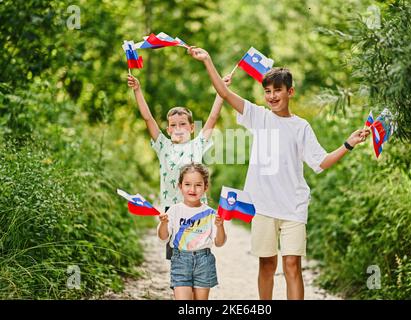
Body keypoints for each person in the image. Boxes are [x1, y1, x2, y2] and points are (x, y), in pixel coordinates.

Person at [188, 46, 370, 300]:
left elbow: (321, 162)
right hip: (263, 206)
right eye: (268, 92)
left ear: (290, 91)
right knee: (267, 265)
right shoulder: (258, 116)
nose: (272, 96)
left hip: (294, 207)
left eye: (277, 91)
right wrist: (207, 60)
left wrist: (348, 143)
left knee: (292, 265)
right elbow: (224, 92)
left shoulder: (301, 127)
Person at [127, 74, 230, 259]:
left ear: (191, 128)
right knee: (177, 257)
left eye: (183, 124)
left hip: (198, 208)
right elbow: (148, 118)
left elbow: (213, 116)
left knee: (198, 253)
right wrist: (137, 90)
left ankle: (197, 285)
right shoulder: (163, 146)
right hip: (172, 209)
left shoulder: (197, 144)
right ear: (168, 130)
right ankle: (180, 287)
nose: (178, 128)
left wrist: (220, 92)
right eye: (173, 125)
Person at [157, 163, 226, 300]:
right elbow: (163, 237)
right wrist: (163, 224)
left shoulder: (210, 213)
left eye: (198, 185)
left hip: (204, 261)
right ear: (180, 186)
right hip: (180, 260)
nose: (192, 189)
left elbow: (219, 242)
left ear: (205, 187)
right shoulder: (175, 210)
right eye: (187, 184)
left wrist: (220, 226)